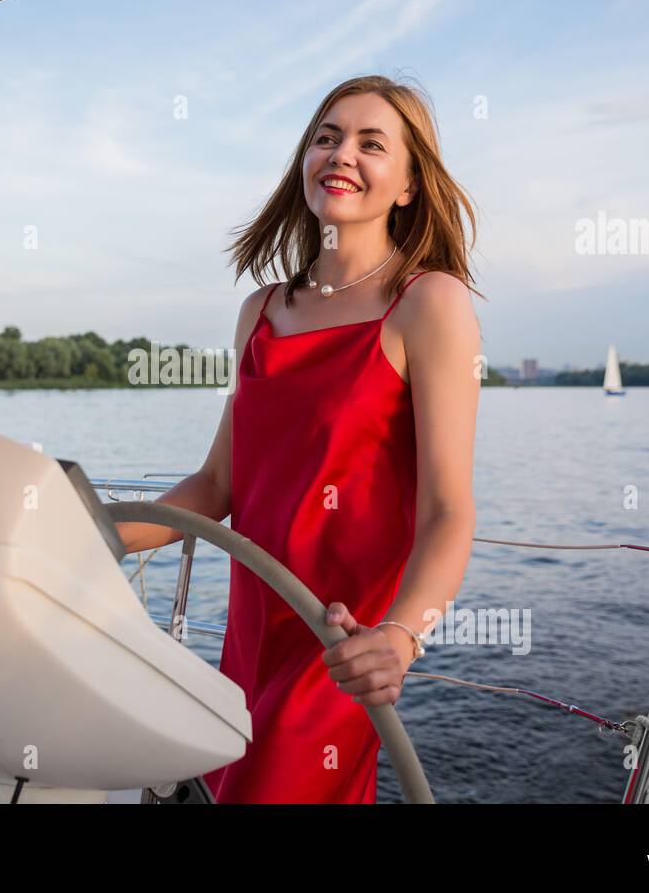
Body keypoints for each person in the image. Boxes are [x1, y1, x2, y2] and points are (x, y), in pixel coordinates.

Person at [115, 74, 483, 802]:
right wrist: (90, 533)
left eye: (371, 143)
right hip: (248, 636)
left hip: (340, 644)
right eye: (327, 136)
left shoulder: (428, 303)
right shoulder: (261, 310)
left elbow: (449, 511)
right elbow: (217, 485)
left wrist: (401, 638)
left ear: (408, 184)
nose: (342, 152)